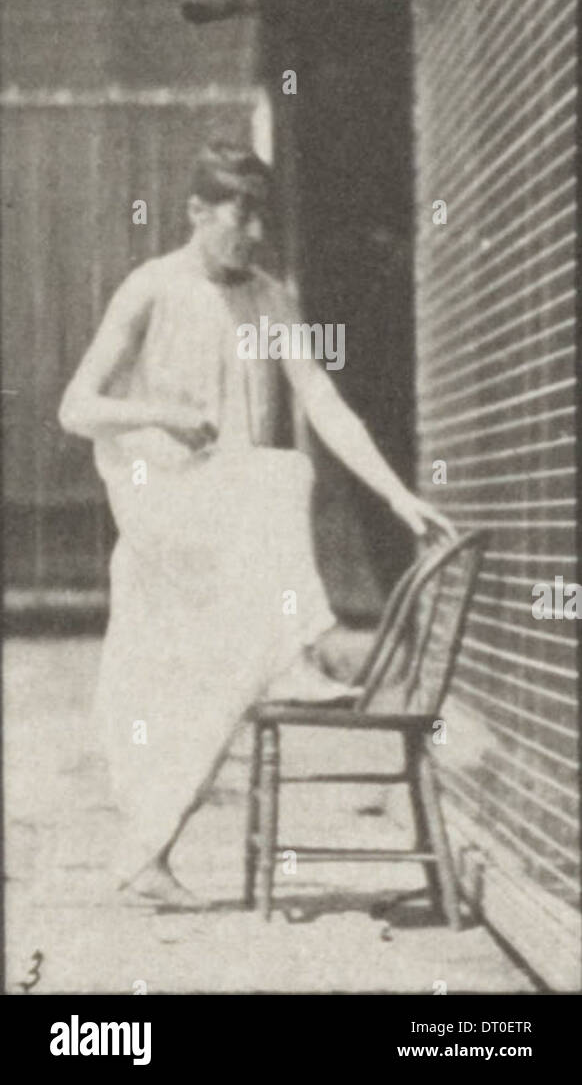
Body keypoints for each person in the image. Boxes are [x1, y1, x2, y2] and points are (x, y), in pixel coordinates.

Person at [59, 142, 454, 908]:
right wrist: (162, 414)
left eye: (259, 214)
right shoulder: (151, 288)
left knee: (216, 688)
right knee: (284, 473)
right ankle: (299, 647)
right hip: (159, 508)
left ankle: (149, 860)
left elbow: (322, 400)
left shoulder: (271, 298)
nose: (252, 231)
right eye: (236, 213)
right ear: (196, 211)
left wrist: (399, 496)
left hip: (225, 522)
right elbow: (75, 407)